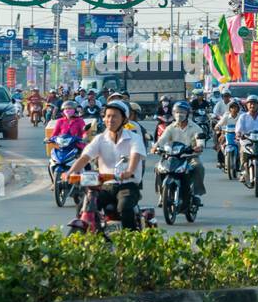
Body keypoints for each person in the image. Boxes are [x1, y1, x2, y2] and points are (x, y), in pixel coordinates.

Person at [70, 99, 145, 230]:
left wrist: (129, 171)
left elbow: (135, 156)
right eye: (107, 116)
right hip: (105, 186)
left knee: (125, 207)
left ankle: (131, 241)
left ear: (124, 120)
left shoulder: (134, 138)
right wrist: (70, 172)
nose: (110, 119)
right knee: (85, 205)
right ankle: (94, 234)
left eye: (114, 116)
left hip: (127, 185)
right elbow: (85, 157)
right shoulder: (100, 139)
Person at [155, 100, 208, 203]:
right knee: (158, 168)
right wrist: (156, 147)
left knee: (199, 167)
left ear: (187, 113)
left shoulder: (195, 127)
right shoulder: (170, 127)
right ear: (173, 113)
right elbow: (162, 139)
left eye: (182, 112)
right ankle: (162, 193)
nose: (179, 114)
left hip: (190, 156)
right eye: (177, 112)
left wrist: (199, 147)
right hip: (172, 157)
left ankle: (195, 192)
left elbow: (200, 142)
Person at [214, 99, 242, 167]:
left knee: (243, 147)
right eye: (232, 107)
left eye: (235, 107)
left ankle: (241, 163)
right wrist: (217, 127)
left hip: (238, 135)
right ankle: (220, 161)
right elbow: (219, 124)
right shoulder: (226, 116)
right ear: (229, 109)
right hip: (227, 133)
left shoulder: (241, 116)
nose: (234, 109)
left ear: (238, 108)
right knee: (221, 143)